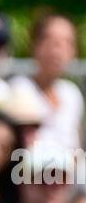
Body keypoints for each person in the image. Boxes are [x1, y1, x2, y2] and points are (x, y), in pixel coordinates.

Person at [7, 12, 85, 154]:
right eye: (52, 41)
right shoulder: (18, 89)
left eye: (67, 43)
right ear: (34, 45)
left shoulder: (72, 93)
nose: (58, 51)